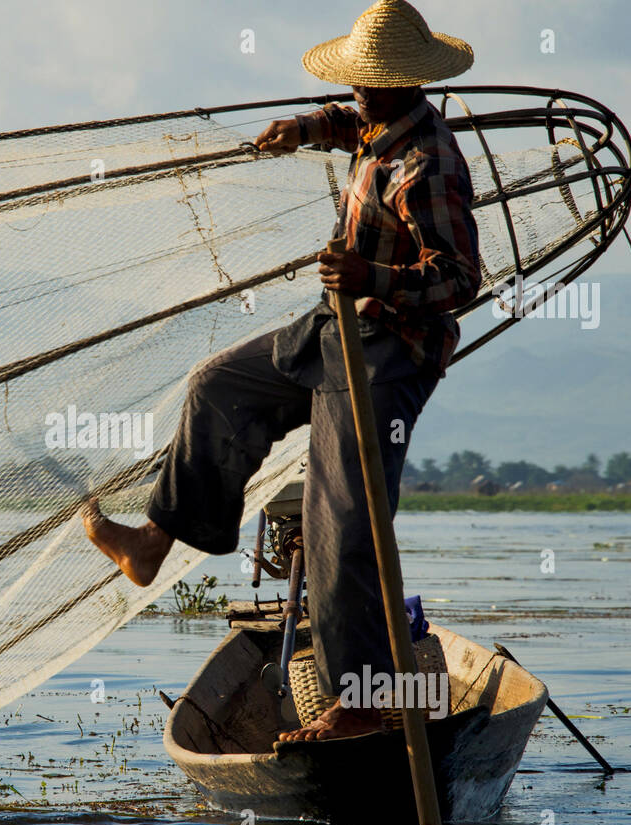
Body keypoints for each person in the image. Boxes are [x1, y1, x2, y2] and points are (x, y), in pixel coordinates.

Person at [83, 0, 480, 740]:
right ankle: (153, 542)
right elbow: (352, 126)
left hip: (389, 354)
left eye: (369, 82)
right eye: (356, 82)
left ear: (403, 84)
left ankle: (359, 702)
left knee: (344, 522)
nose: (358, 91)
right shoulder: (376, 125)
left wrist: (372, 274)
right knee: (219, 388)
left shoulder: (429, 165)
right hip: (337, 329)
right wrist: (307, 128)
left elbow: (461, 279)